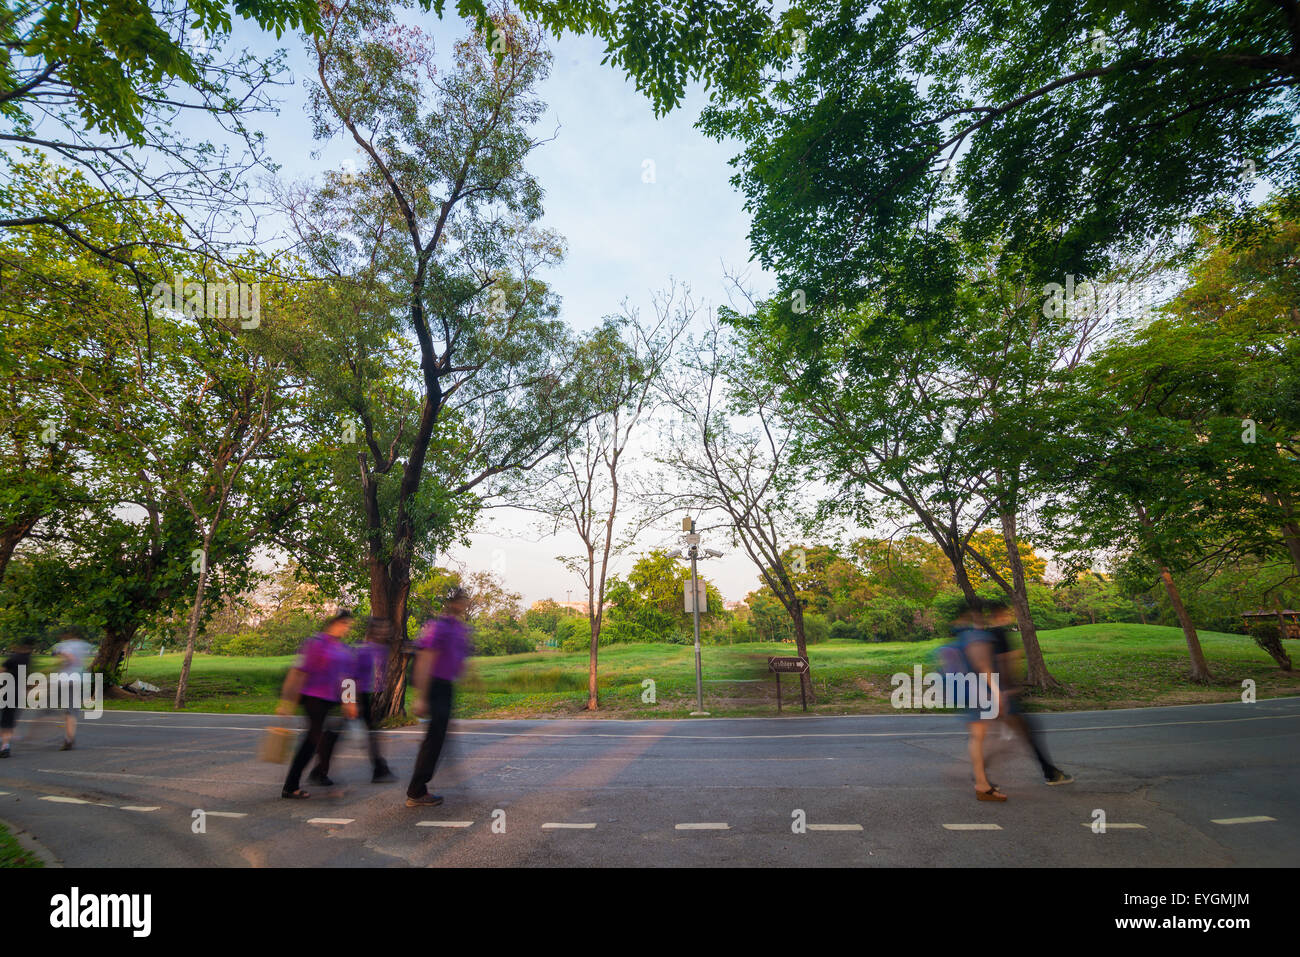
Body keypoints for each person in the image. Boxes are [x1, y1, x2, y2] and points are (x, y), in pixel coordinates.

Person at [955, 597, 1073, 801]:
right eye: (1006, 612)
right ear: (1000, 614)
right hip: (1001, 693)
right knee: (1018, 735)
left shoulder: (983, 634)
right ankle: (1047, 773)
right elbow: (1002, 662)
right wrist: (1008, 690)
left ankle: (984, 775)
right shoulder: (999, 633)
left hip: (990, 692)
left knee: (1001, 735)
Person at [277, 610, 358, 799]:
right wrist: (286, 702)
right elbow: (298, 672)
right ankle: (291, 786)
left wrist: (350, 701)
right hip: (313, 697)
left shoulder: (343, 649)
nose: (346, 628)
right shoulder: (316, 644)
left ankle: (319, 774)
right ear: (334, 623)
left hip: (331, 699)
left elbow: (348, 678)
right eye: (344, 624)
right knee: (313, 740)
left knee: (329, 737)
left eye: (348, 625)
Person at [405, 588, 471, 808]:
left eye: (466, 601)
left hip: (447, 686)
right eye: (462, 601)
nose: (464, 605)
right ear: (453, 603)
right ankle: (416, 790)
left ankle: (423, 786)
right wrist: (420, 697)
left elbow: (461, 658)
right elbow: (424, 660)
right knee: (434, 739)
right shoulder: (438, 627)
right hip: (434, 685)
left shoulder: (459, 628)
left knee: (440, 737)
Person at [356, 617, 396, 783]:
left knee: (371, 732)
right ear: (372, 630)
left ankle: (380, 769)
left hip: (372, 695)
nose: (384, 631)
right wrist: (350, 701)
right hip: (360, 695)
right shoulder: (363, 650)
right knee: (371, 733)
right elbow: (350, 677)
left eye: (385, 628)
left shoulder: (382, 649)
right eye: (380, 628)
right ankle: (380, 769)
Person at [51, 629, 93, 751]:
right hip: (79, 680)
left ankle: (68, 737)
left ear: (67, 635)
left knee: (66, 710)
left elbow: (67, 656)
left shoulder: (64, 645)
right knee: (72, 711)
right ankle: (70, 737)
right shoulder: (85, 645)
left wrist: (65, 663)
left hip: (66, 680)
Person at [0, 638, 33, 758]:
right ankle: (5, 746)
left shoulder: (12, 659)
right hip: (18, 691)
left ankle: (4, 744)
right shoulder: (28, 659)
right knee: (8, 720)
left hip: (6, 690)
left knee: (5, 719)